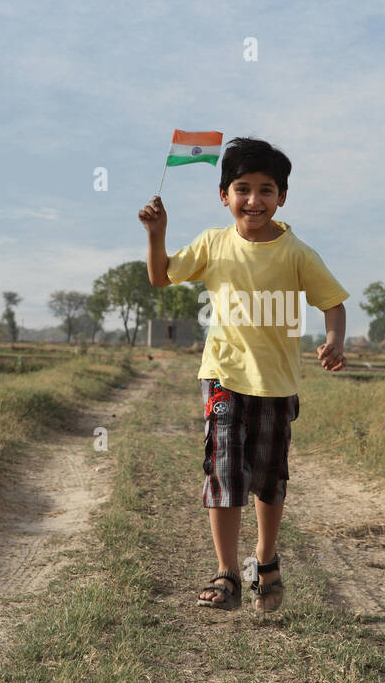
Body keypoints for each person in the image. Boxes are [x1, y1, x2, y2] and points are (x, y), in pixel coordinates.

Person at [138, 137, 348, 612]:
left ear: (282, 197)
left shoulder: (297, 253)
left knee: (271, 481)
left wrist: (334, 339)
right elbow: (160, 276)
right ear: (224, 195)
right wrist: (157, 233)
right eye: (243, 189)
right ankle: (227, 572)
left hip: (277, 384)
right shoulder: (214, 244)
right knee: (225, 472)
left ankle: (266, 559)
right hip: (223, 378)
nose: (254, 200)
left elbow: (332, 302)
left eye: (266, 190)